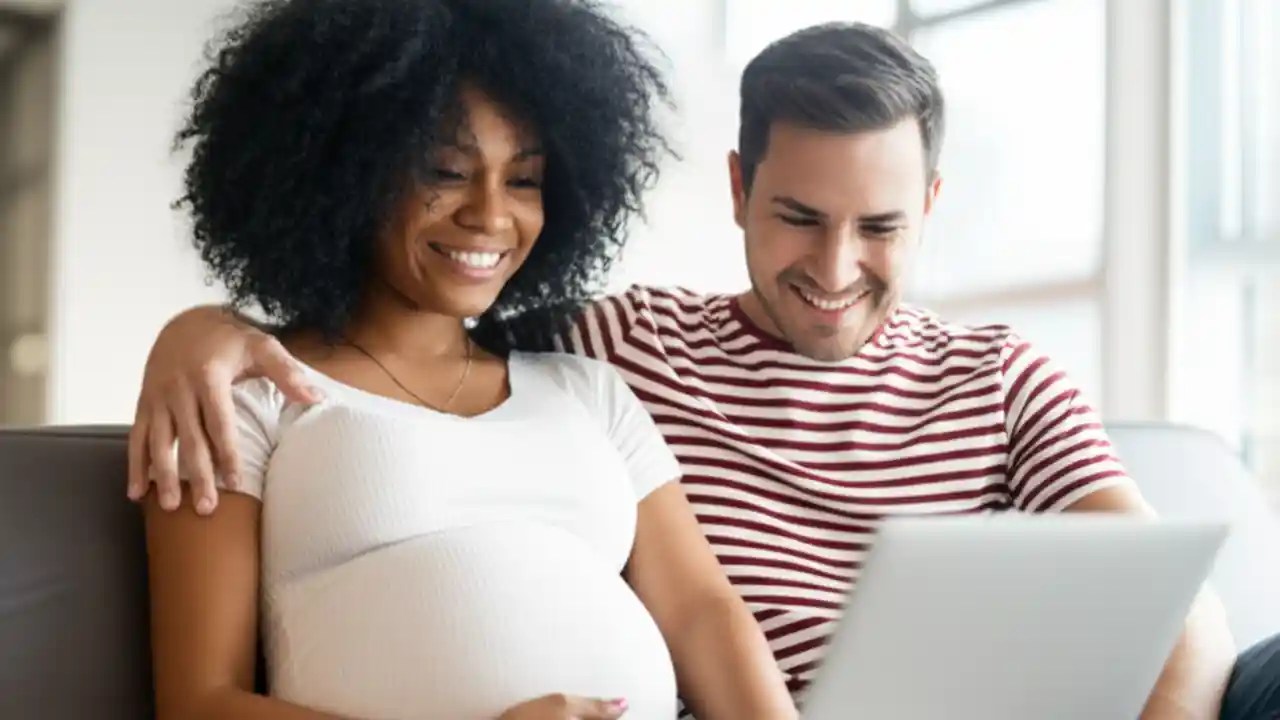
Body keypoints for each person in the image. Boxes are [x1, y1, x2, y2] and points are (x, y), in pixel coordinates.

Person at [132, 19, 1280, 720]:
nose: (835, 267)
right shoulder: (620, 346)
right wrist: (205, 324)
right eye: (794, 216)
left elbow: (1170, 594)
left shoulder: (1000, 374)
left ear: (929, 207)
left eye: (878, 226)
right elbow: (412, 341)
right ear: (735, 189)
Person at [137, 1, 799, 719]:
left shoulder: (588, 390)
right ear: (345, 174)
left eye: (523, 180)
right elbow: (198, 702)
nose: (489, 215)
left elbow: (703, 612)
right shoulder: (241, 394)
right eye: (446, 171)